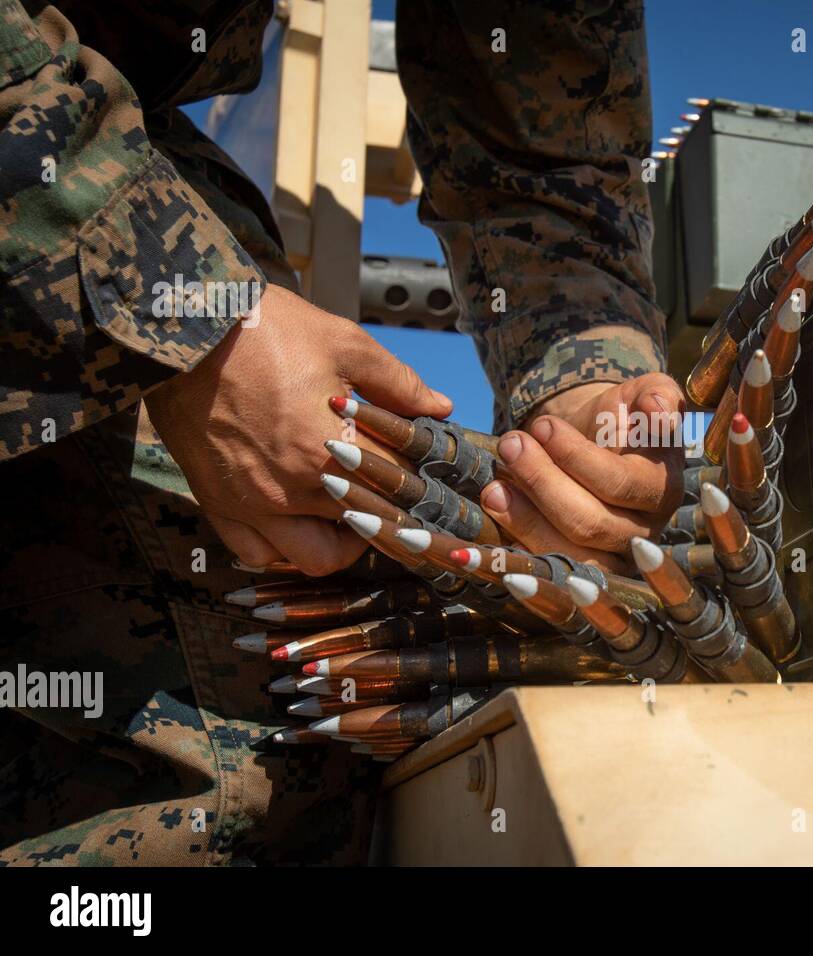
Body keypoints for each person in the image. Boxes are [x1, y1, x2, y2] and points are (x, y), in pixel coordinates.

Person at [0, 0, 682, 864]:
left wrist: (582, 377)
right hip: (46, 156)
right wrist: (187, 313)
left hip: (119, 151)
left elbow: (543, 151)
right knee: (215, 768)